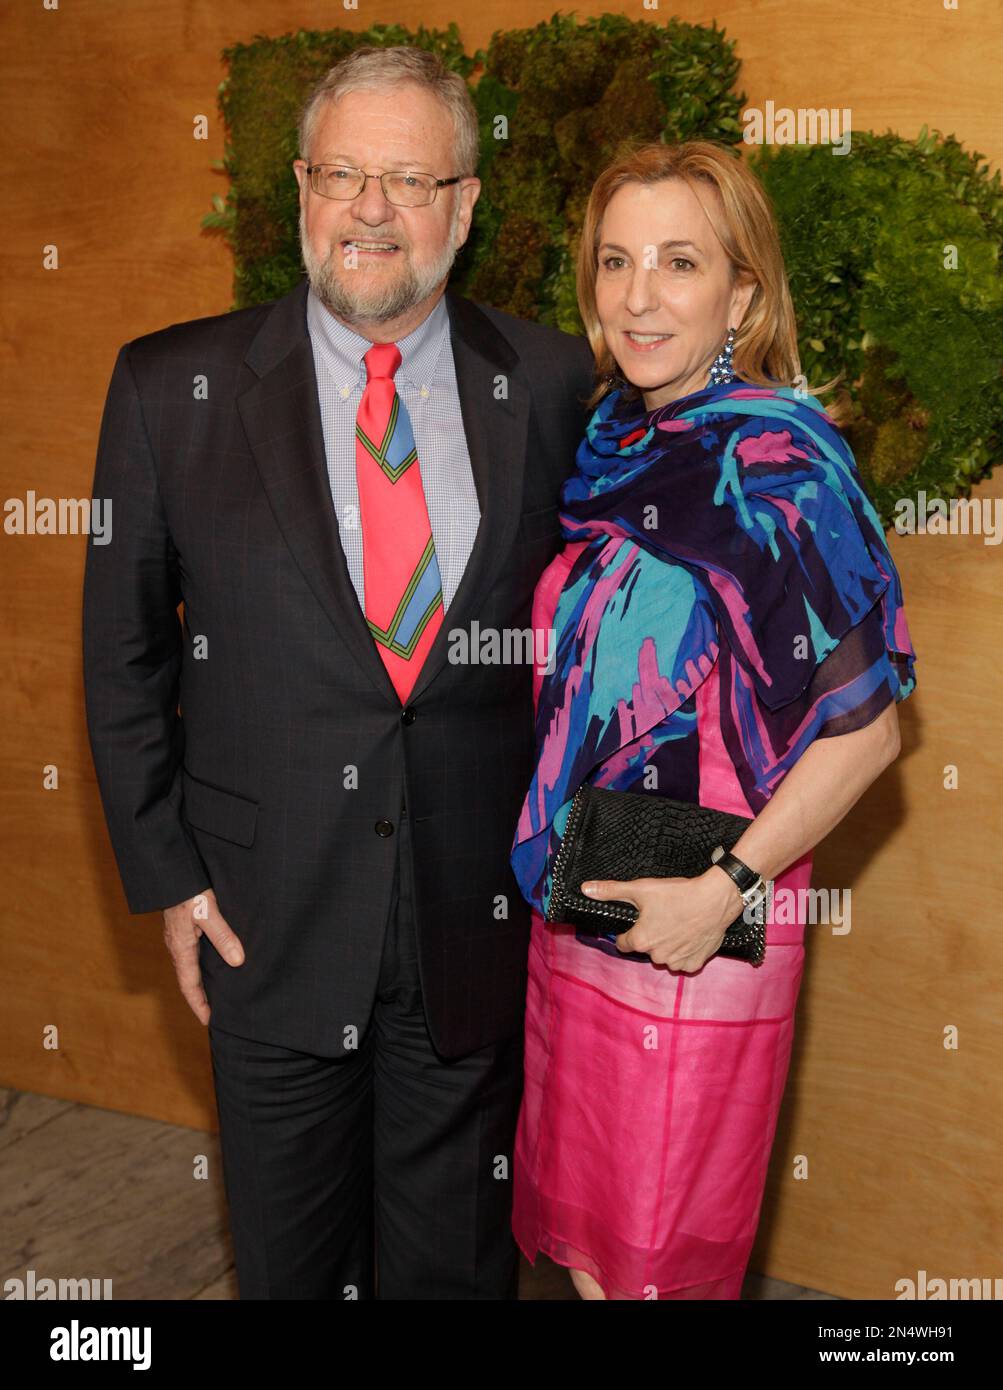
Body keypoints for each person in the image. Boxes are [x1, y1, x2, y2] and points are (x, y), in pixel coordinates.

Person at [82, 44, 594, 1299]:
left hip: (474, 926)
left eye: (409, 179)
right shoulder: (170, 388)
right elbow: (123, 651)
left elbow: (593, 644)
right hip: (269, 923)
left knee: (455, 1273)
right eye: (344, 174)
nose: (372, 209)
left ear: (462, 208)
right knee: (289, 1270)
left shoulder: (550, 381)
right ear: (301, 189)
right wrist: (169, 878)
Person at [509, 140, 918, 1300]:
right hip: (589, 890)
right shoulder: (608, 442)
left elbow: (867, 732)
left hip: (702, 914)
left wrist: (721, 887)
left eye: (678, 262)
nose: (638, 296)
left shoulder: (782, 463)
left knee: (655, 1264)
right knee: (592, 1253)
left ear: (741, 290)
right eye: (614, 261)